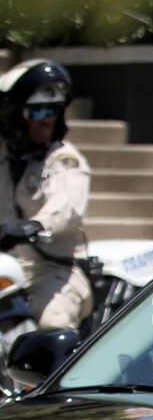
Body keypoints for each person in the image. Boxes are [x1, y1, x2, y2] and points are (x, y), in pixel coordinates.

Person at [0, 59, 93, 330]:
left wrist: (35, 224)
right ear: (13, 115)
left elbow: (68, 206)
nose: (48, 119)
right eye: (37, 111)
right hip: (6, 266)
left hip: (53, 269)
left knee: (53, 324)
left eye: (53, 110)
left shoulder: (64, 160)